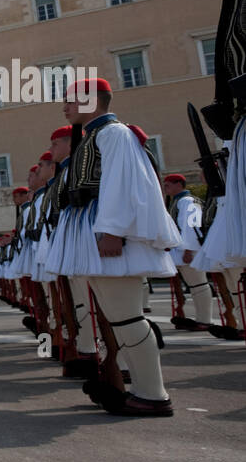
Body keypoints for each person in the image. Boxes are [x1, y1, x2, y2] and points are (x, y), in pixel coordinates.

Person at [44, 78, 180, 415]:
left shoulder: (114, 133)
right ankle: (140, 388)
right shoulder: (93, 136)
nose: (66, 106)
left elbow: (123, 184)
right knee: (116, 318)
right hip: (95, 232)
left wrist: (113, 231)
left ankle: (153, 394)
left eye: (71, 100)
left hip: (108, 235)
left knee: (127, 318)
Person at [162, 173, 216, 331]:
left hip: (188, 250)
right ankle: (201, 318)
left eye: (168, 185)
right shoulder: (178, 201)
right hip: (181, 250)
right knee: (195, 286)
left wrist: (189, 250)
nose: (165, 188)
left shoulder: (187, 201)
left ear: (179, 184)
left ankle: (205, 319)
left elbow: (192, 226)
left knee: (199, 285)